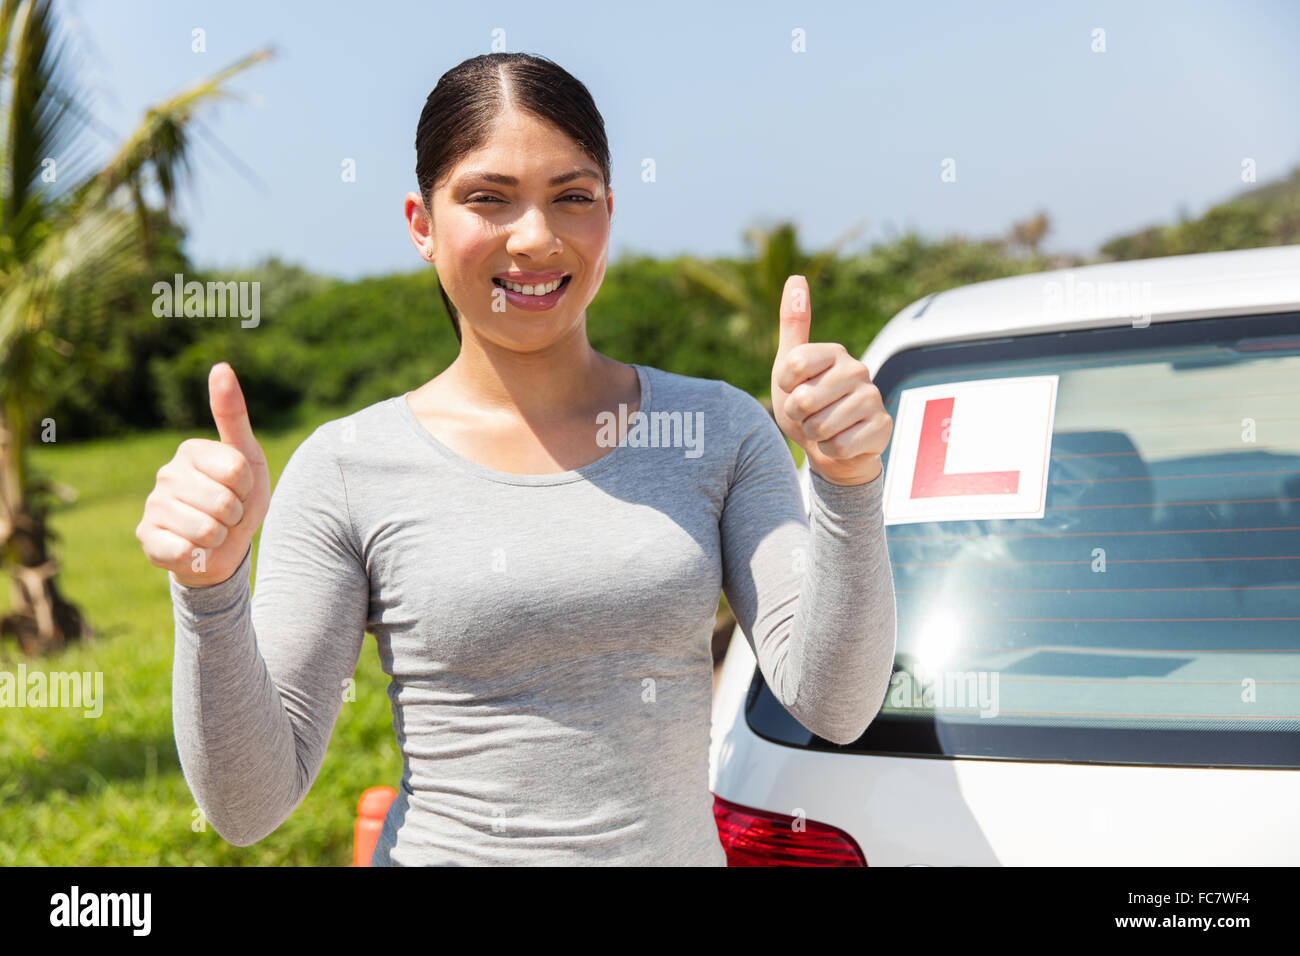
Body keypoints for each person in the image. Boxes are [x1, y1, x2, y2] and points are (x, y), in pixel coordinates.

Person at [135, 52, 897, 866]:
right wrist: (210, 590)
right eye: (487, 199)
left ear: (610, 211)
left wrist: (847, 483)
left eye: (573, 197)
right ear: (421, 224)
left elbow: (835, 705)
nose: (536, 238)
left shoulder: (720, 429)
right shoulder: (347, 467)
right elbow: (249, 807)